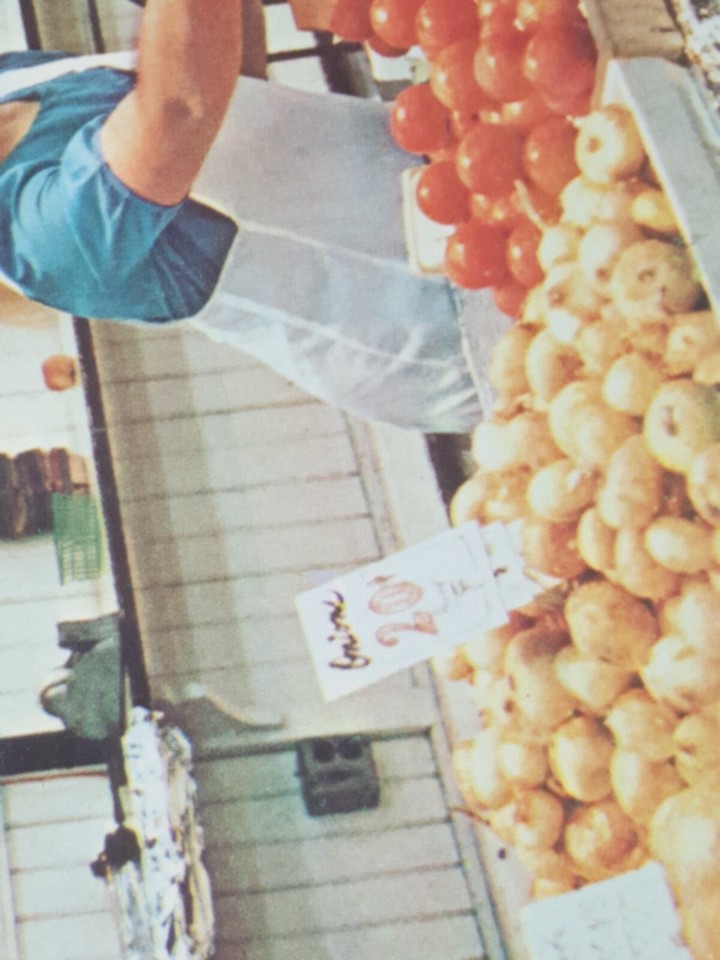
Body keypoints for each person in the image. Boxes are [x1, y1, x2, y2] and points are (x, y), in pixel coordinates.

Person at [0, 0, 484, 433]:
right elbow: (180, 106)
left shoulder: (11, 80)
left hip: (451, 169)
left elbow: (228, 82)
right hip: (429, 310)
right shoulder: (33, 239)